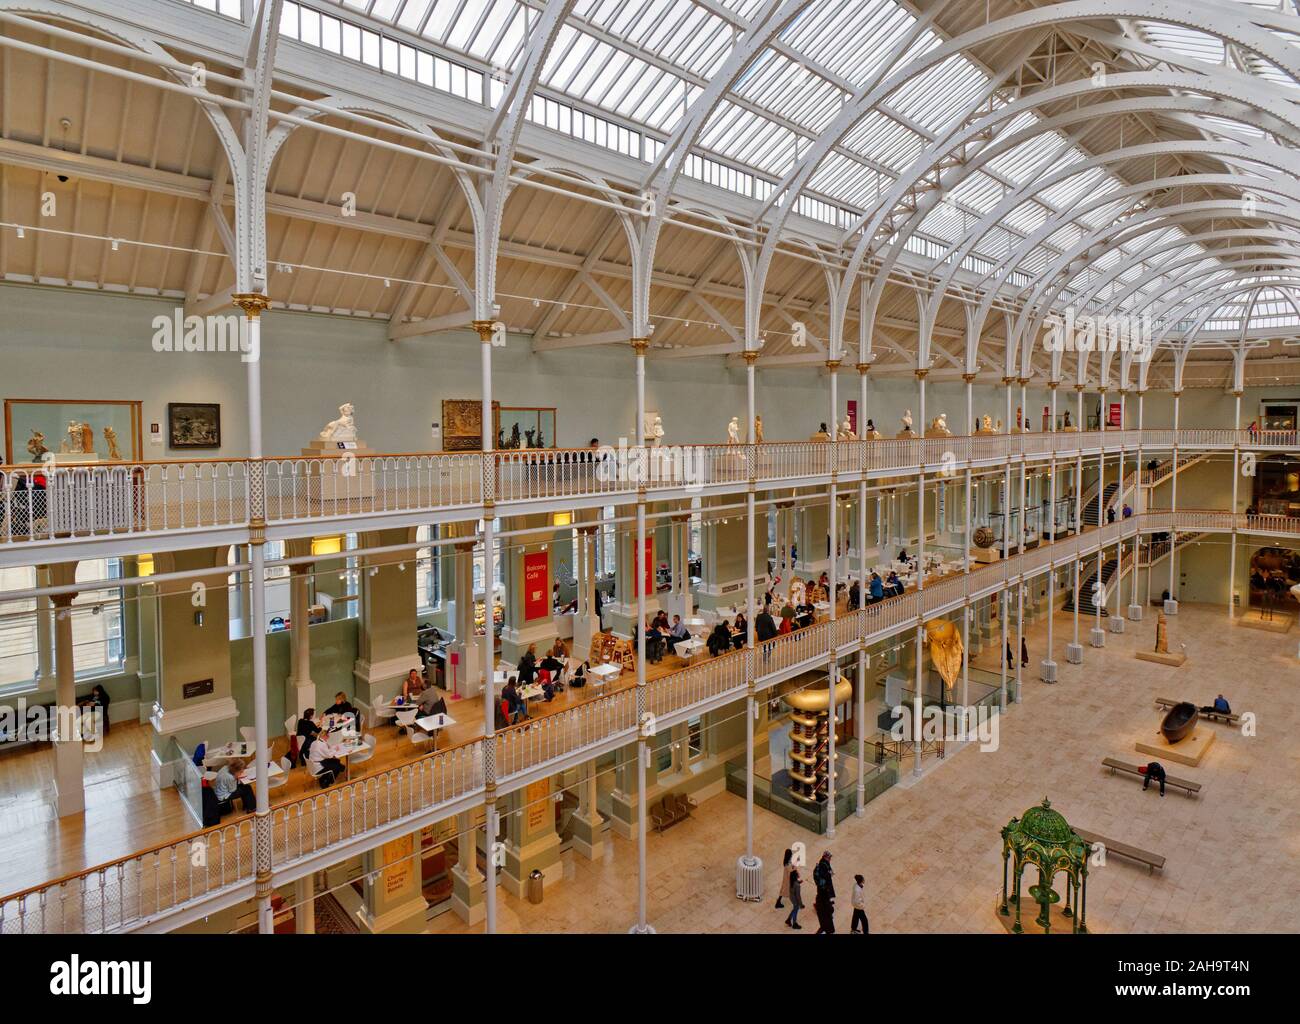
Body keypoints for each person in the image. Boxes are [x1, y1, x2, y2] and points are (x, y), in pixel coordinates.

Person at [813, 851, 836, 934]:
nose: (830, 859)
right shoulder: (823, 865)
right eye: (829, 857)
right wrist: (829, 874)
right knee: (825, 902)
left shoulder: (824, 863)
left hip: (823, 891)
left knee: (825, 900)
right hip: (824, 890)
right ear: (825, 857)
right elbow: (824, 876)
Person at [785, 864, 803, 930]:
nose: (798, 873)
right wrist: (801, 904)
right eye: (797, 873)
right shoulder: (797, 886)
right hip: (795, 899)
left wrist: (798, 882)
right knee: (796, 909)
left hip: (791, 897)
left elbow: (794, 884)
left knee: (794, 909)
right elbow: (798, 896)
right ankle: (794, 923)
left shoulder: (792, 881)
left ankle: (788, 919)